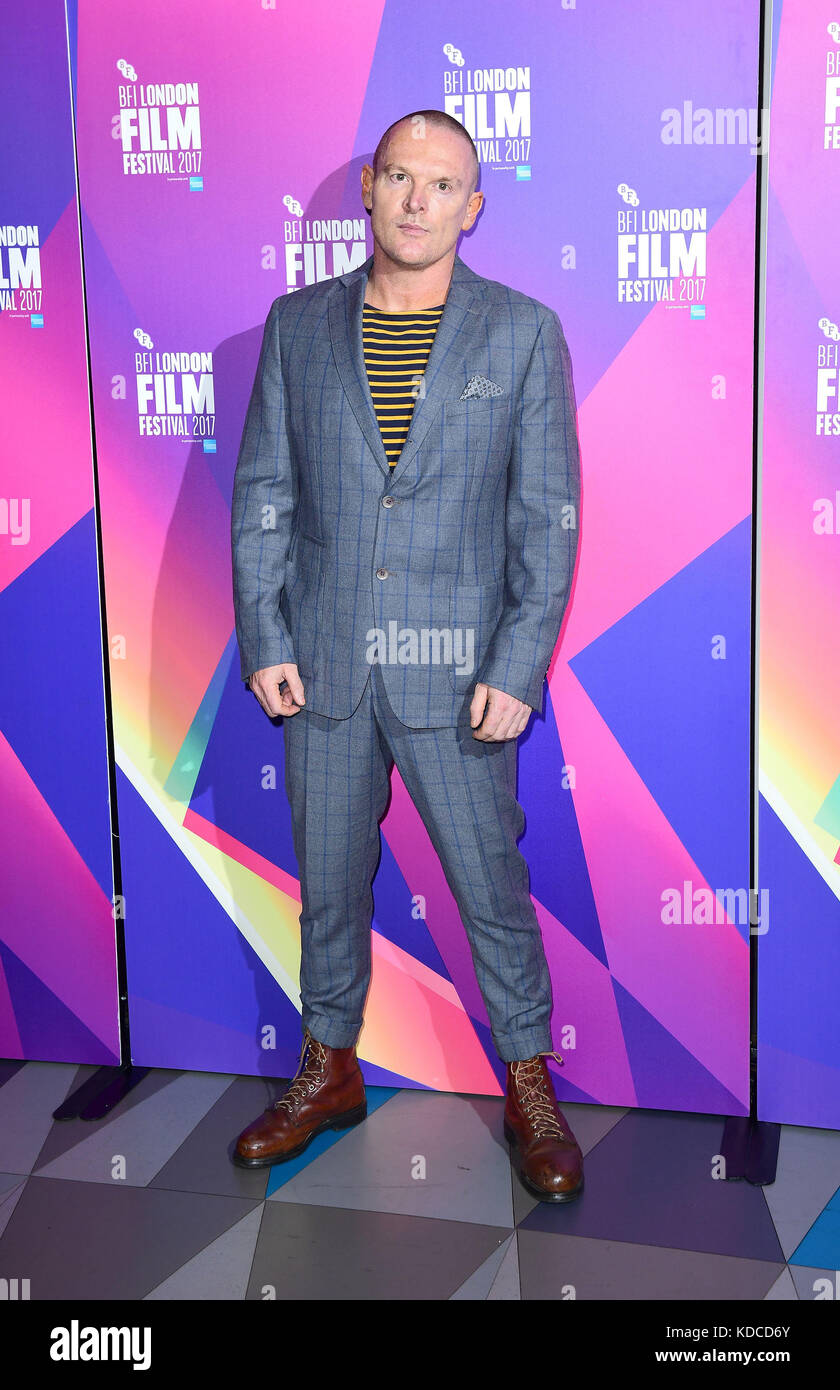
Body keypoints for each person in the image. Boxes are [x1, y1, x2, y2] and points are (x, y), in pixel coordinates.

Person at [229, 109, 583, 1202]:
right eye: (399, 177)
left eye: (443, 184)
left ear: (473, 209)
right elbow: (263, 494)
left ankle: (530, 1081)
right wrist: (267, 633)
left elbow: (547, 517)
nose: (417, 200)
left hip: (463, 678)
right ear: (369, 190)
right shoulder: (296, 326)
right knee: (328, 885)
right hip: (325, 664)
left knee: (491, 891)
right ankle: (328, 1068)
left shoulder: (522, 333)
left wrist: (518, 667)